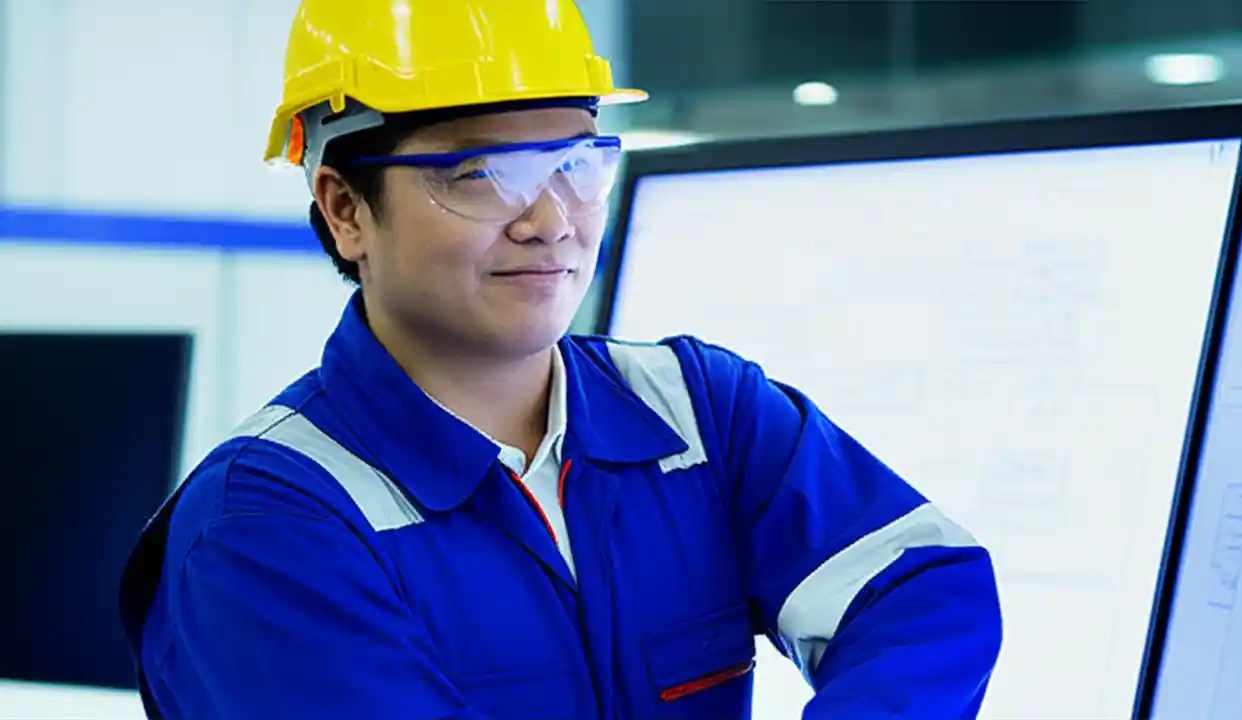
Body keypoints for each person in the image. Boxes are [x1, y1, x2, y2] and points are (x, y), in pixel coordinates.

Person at [119, 1, 1002, 718]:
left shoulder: (699, 411)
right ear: (346, 207)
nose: (552, 220)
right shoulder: (268, 528)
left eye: (576, 163)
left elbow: (922, 589)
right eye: (482, 175)